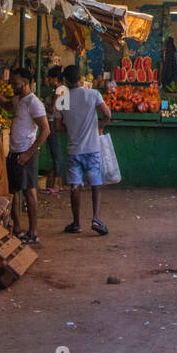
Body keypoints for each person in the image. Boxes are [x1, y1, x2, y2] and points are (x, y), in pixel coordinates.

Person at [0, 67, 50, 245]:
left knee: (29, 191)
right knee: (14, 191)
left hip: (26, 151)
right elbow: (6, 105)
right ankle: (18, 228)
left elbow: (45, 130)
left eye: (15, 82)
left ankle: (33, 233)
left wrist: (29, 153)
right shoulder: (19, 99)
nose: (12, 85)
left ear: (26, 83)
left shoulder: (34, 103)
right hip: (14, 151)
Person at [61, 65, 111, 236]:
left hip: (74, 150)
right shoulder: (93, 94)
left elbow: (57, 126)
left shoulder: (63, 98)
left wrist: (71, 127)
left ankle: (76, 223)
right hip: (92, 148)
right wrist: (99, 127)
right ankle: (96, 218)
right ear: (80, 78)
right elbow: (107, 114)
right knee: (96, 183)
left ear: (65, 80)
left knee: (75, 186)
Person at [44, 65, 69, 190]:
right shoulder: (61, 89)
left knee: (56, 152)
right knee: (56, 151)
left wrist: (41, 104)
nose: (47, 80)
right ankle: (57, 182)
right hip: (56, 122)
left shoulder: (59, 90)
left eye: (49, 78)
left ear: (54, 78)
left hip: (53, 122)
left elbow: (53, 109)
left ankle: (57, 183)